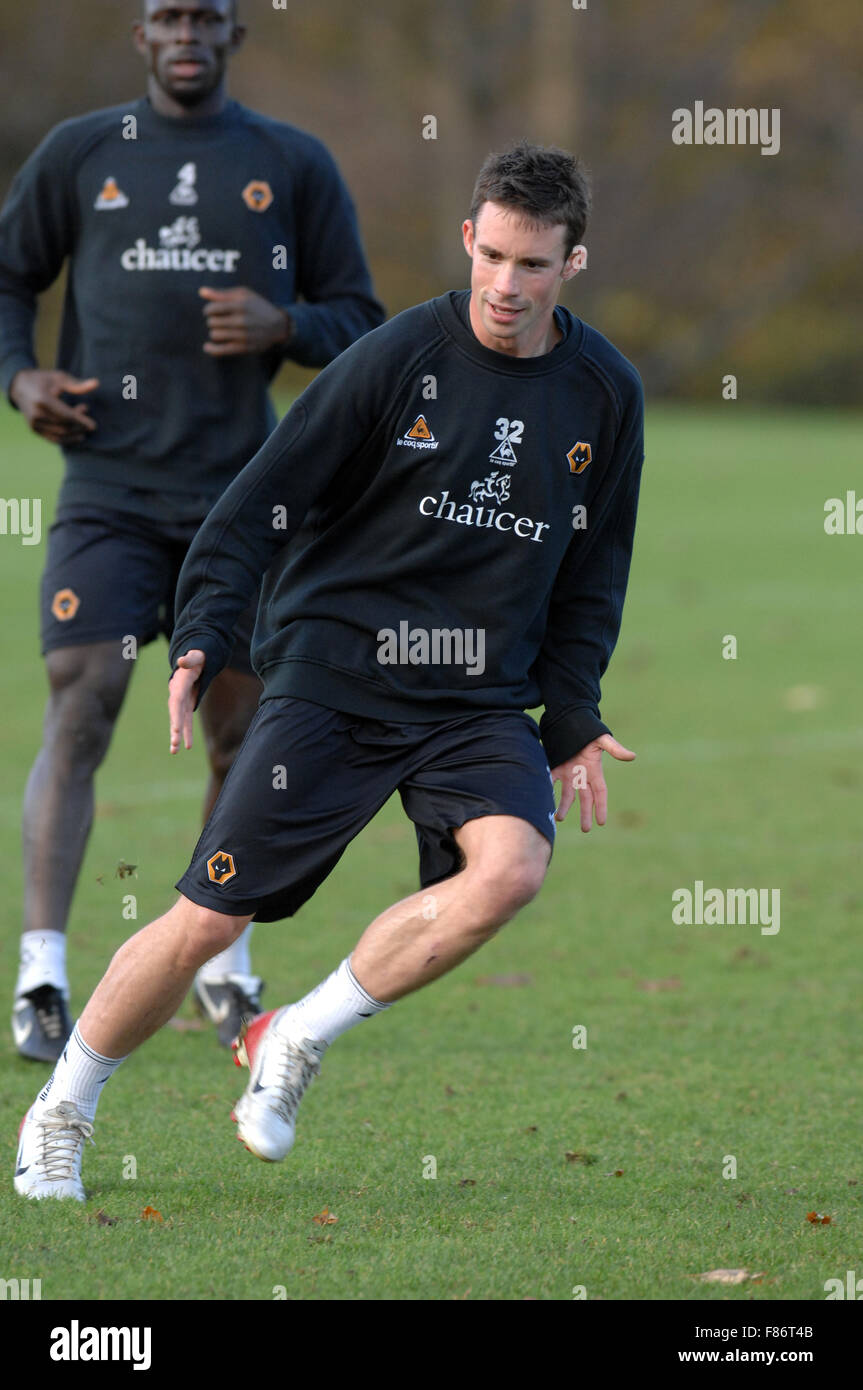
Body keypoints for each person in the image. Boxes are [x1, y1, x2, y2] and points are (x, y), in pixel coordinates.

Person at [15, 141, 644, 1202]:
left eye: (531, 265)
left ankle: (296, 1033)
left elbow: (593, 570)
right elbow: (263, 495)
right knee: (207, 920)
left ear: (571, 263)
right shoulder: (399, 356)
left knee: (509, 869)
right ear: (467, 238)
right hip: (335, 672)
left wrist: (570, 712)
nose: (504, 284)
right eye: (490, 255)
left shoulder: (604, 393)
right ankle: (62, 1107)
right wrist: (209, 628)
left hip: (476, 695)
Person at [0, 0, 384, 1059]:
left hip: (244, 500)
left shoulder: (287, 162)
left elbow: (361, 317)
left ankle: (220, 958)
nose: (184, 33)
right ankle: (41, 975)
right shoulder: (81, 154)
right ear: (140, 35)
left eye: (204, 17)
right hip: (109, 493)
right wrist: (18, 374)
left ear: (230, 36)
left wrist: (285, 326)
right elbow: (8, 276)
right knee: (84, 701)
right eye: (165, 16)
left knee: (240, 733)